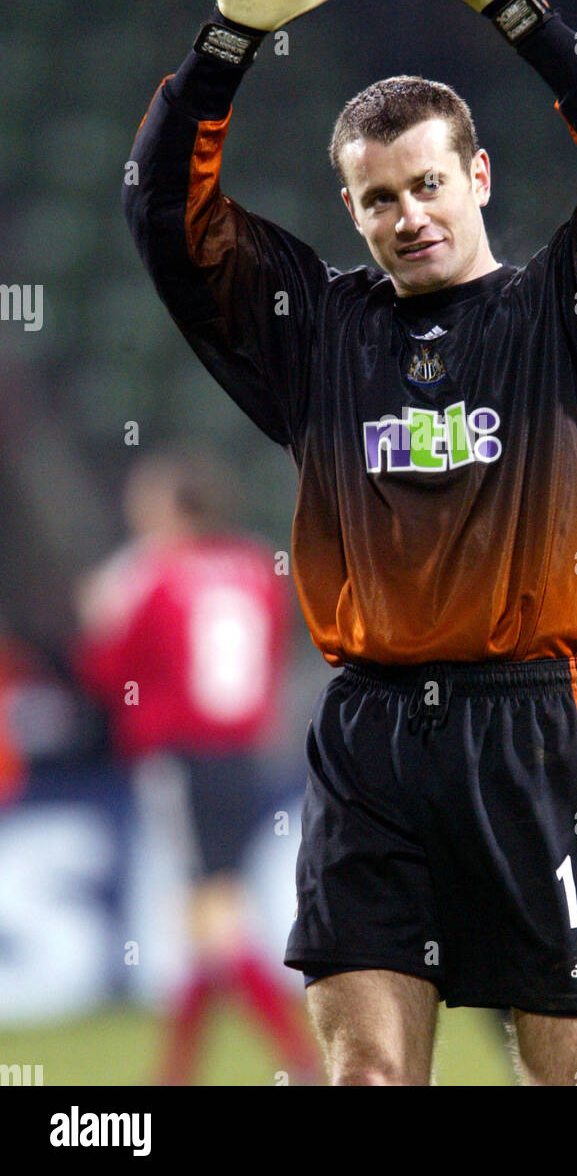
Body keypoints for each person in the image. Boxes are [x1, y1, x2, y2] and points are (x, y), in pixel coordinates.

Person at [123, 0, 577, 1086]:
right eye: (376, 199)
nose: (406, 216)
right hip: (371, 739)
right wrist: (225, 44)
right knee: (369, 1079)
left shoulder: (566, 312)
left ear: (475, 178)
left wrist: (521, 16)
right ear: (351, 207)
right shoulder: (315, 332)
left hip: (531, 729)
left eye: (427, 184)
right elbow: (168, 227)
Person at [74, 449, 319, 1085]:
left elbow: (106, 672)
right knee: (207, 919)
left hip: (182, 762)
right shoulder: (255, 571)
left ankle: (300, 1060)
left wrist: (100, 618)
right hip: (244, 759)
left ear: (173, 510)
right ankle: (176, 1073)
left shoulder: (152, 577)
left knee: (216, 919)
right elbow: (271, 654)